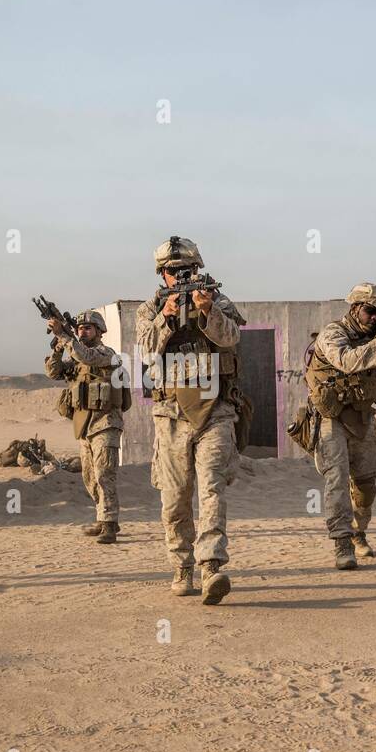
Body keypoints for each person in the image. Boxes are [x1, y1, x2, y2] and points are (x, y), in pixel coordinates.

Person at [134, 236, 245, 604]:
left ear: (197, 270)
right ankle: (182, 565)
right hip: (170, 414)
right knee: (175, 497)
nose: (180, 277)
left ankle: (211, 565)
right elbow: (147, 350)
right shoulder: (149, 309)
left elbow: (230, 339)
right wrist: (166, 317)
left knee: (211, 487)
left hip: (215, 410)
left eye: (187, 270)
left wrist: (208, 311)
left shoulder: (216, 299)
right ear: (161, 275)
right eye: (172, 271)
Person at [305, 282, 376, 569]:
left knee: (366, 484)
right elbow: (346, 360)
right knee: (336, 479)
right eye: (370, 311)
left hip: (363, 418)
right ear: (354, 308)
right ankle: (341, 542)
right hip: (332, 417)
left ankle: (358, 533)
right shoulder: (333, 333)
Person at [43, 309, 128, 543]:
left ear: (100, 331)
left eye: (88, 328)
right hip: (84, 425)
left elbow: (87, 357)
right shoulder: (76, 356)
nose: (83, 331)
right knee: (90, 477)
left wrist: (67, 337)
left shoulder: (106, 354)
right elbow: (53, 372)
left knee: (104, 474)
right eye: (80, 328)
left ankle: (110, 523)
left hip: (106, 423)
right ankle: (102, 519)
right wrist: (58, 349)